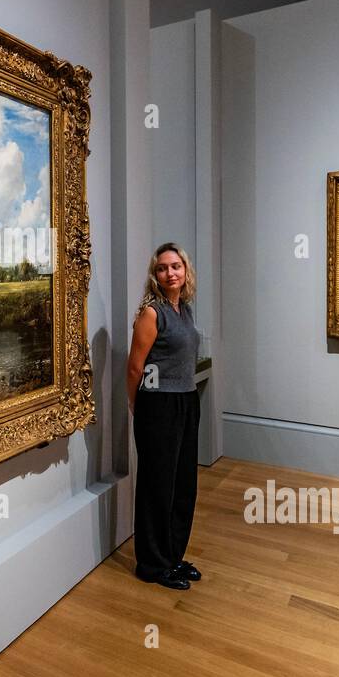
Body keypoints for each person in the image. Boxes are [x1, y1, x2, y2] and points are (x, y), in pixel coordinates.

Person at [126, 242, 203, 590]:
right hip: (158, 406)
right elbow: (134, 368)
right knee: (158, 486)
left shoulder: (184, 310)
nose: (170, 272)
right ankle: (152, 565)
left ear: (185, 271)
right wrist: (136, 406)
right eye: (162, 268)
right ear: (154, 275)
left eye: (176, 266)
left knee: (183, 483)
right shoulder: (151, 313)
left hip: (187, 401)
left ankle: (172, 556)